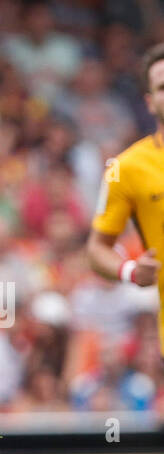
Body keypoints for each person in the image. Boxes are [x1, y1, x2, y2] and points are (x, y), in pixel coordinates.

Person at [86, 43, 164, 354]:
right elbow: (96, 249)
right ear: (149, 102)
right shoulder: (125, 168)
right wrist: (131, 271)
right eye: (163, 87)